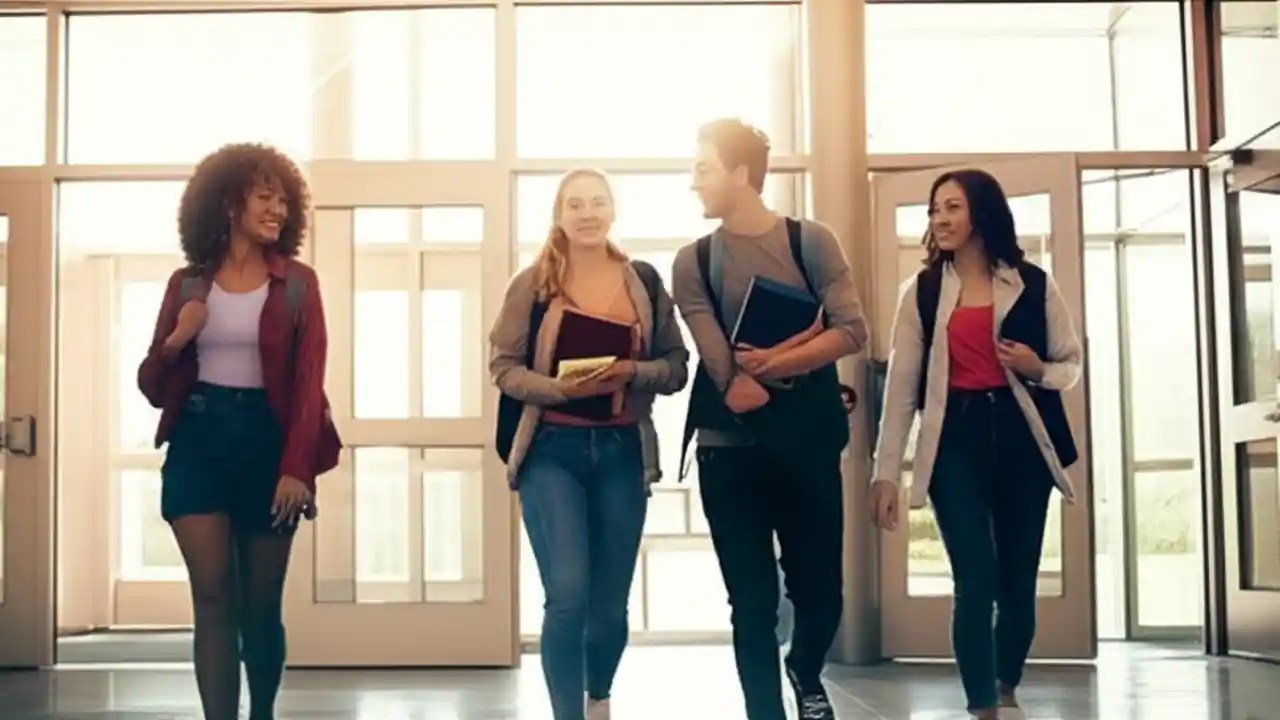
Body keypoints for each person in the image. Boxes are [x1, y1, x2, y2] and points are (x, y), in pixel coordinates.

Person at [869, 169, 1082, 720]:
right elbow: (900, 390)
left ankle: (1006, 682)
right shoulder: (921, 293)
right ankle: (982, 705)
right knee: (975, 577)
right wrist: (885, 472)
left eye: (952, 208)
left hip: (1020, 439)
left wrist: (1037, 367)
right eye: (935, 209)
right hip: (954, 439)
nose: (940, 219)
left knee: (1017, 582)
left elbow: (1070, 363)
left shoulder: (1033, 283)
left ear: (981, 213)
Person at [672, 118, 867, 720]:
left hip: (806, 444)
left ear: (739, 174)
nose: (693, 182)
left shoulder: (812, 242)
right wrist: (771, 364)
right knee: (751, 602)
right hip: (728, 449)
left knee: (821, 595)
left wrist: (777, 360)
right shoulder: (693, 262)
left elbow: (853, 331)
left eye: (703, 169)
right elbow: (725, 371)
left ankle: (805, 670)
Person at [137, 143, 340, 720]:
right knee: (213, 599)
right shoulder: (187, 285)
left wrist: (297, 468)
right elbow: (154, 385)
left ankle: (262, 714)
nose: (277, 209)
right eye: (264, 196)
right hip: (197, 441)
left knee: (259, 609)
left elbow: (308, 383)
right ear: (229, 203)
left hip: (267, 441)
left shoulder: (298, 283)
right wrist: (180, 336)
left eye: (283, 199)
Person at [489, 168, 689, 720]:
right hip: (551, 449)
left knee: (608, 608)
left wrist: (632, 370)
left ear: (612, 210)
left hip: (622, 451)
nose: (587, 213)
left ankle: (598, 695)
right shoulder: (532, 284)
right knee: (569, 593)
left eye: (597, 202)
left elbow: (677, 368)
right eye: (574, 204)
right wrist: (559, 388)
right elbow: (502, 366)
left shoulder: (643, 282)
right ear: (558, 214)